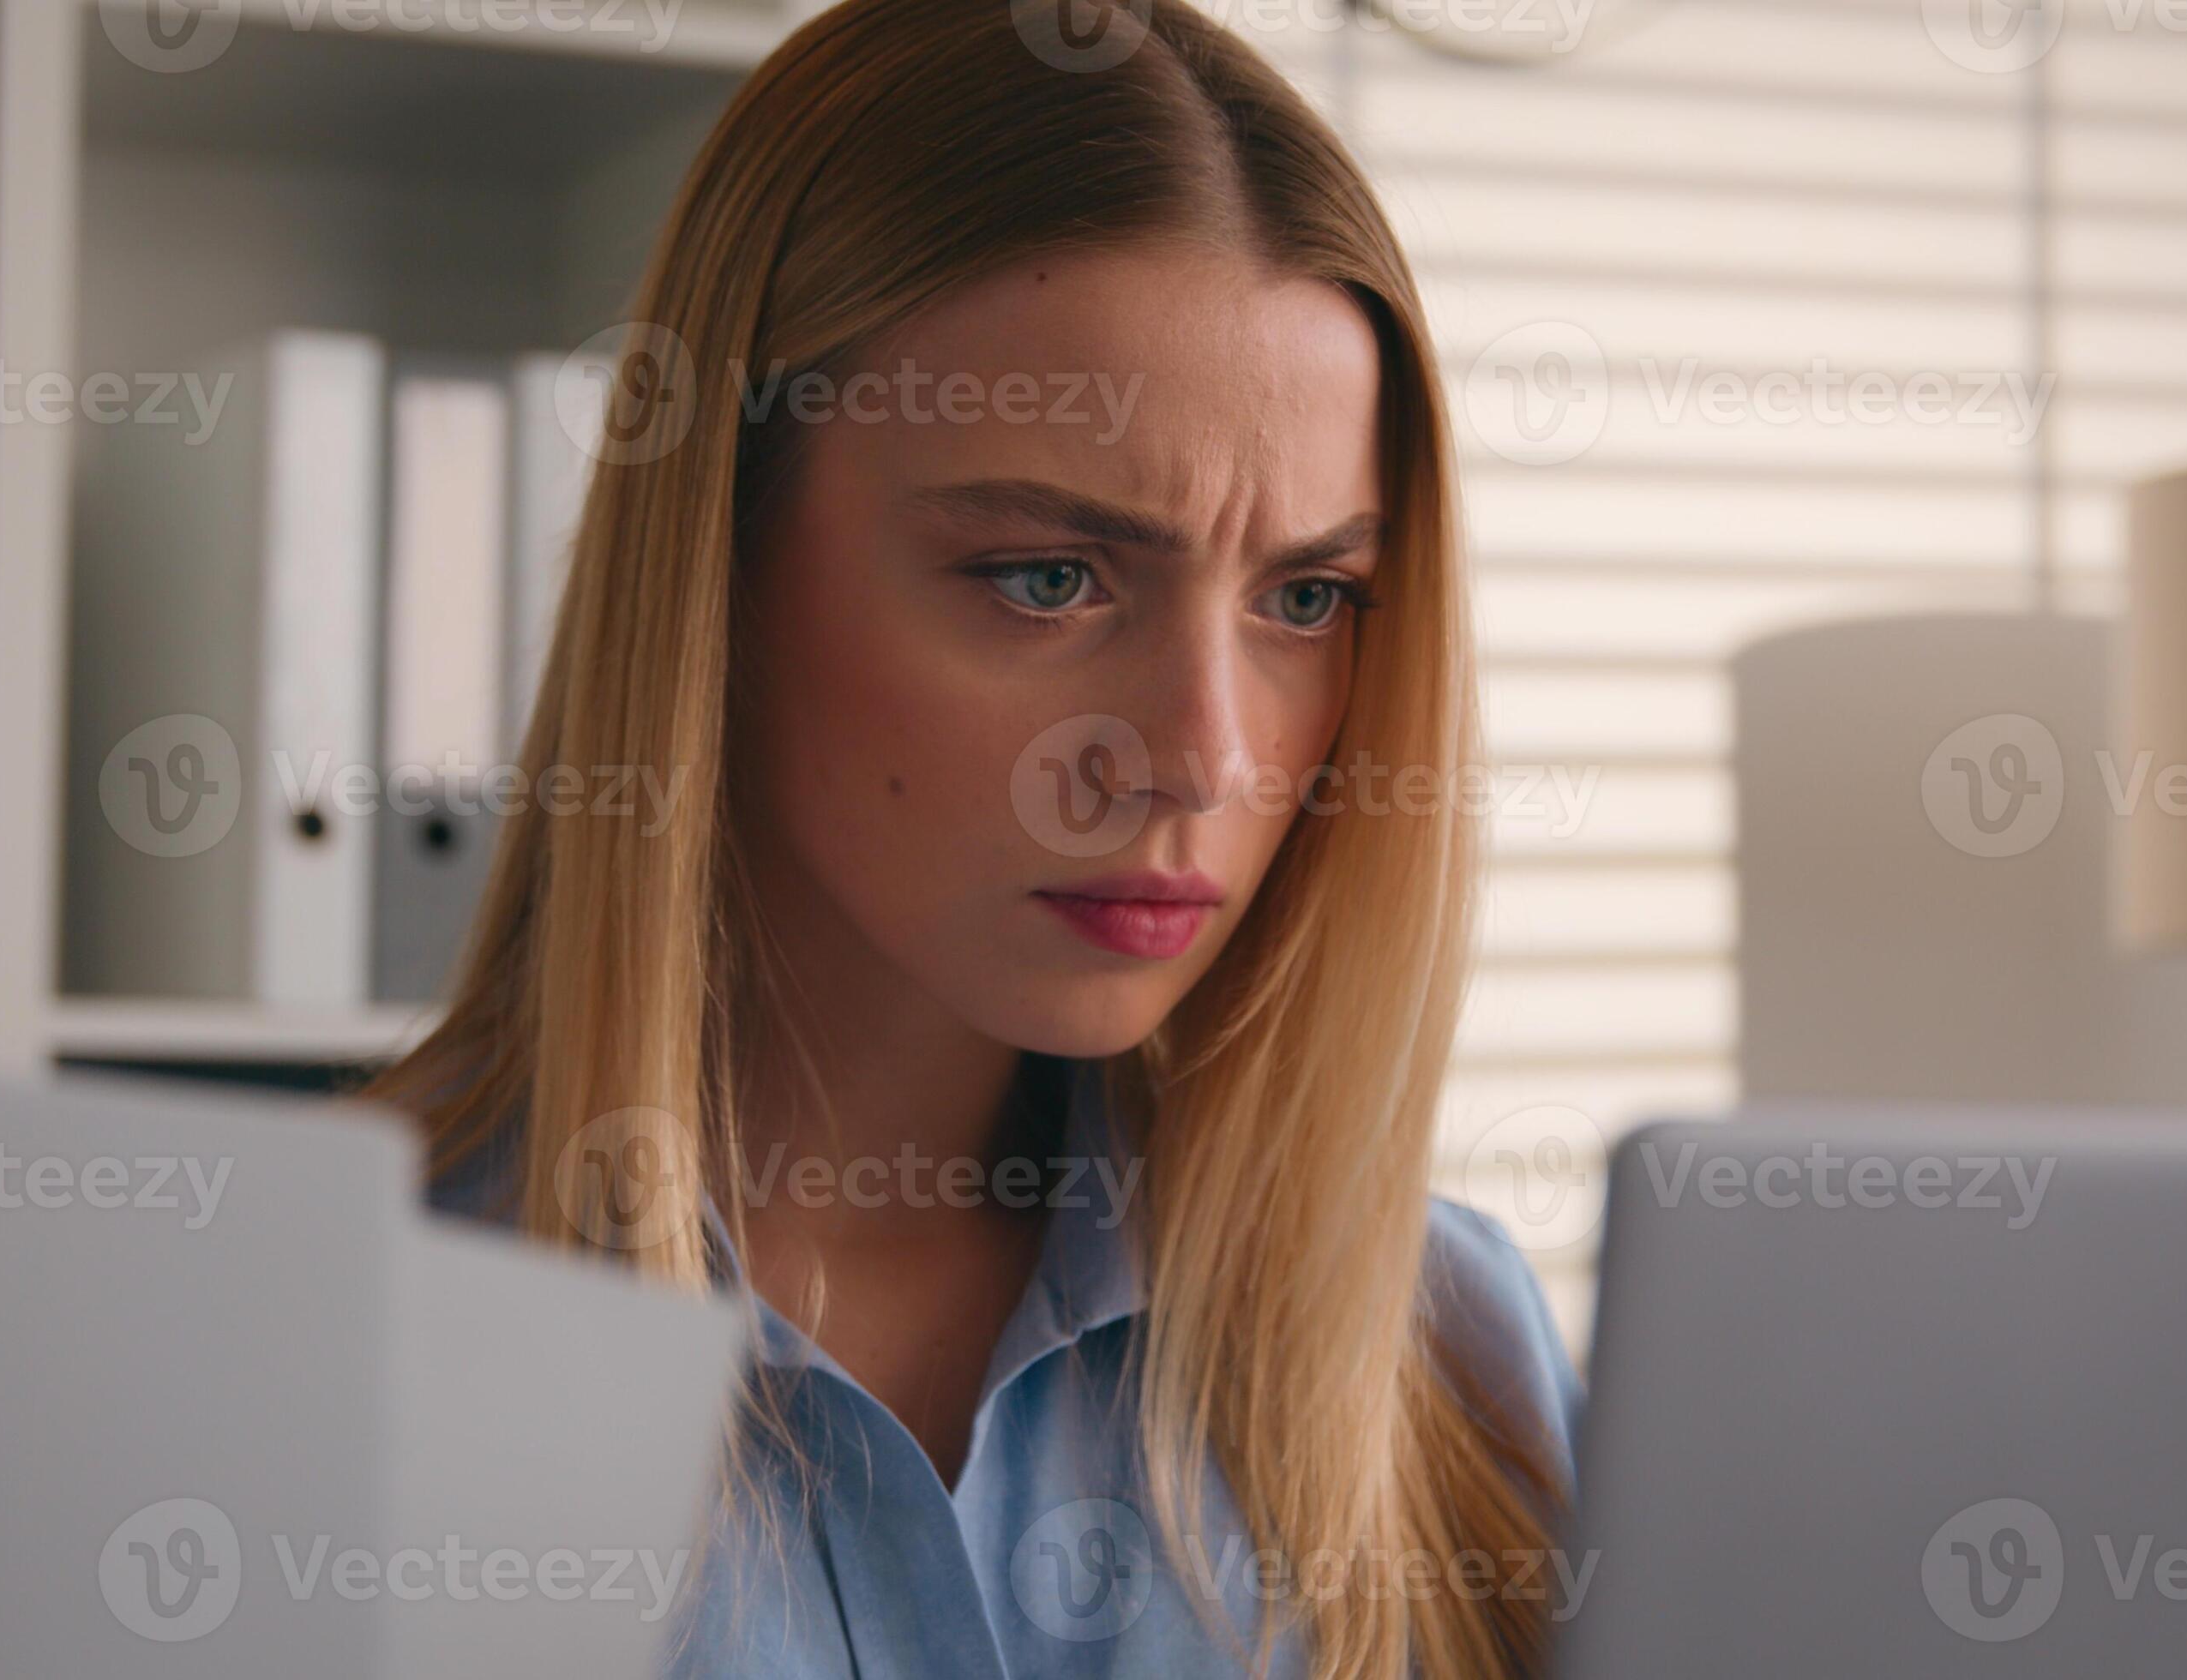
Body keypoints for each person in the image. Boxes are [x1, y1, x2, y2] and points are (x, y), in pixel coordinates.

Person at [379, 0, 1577, 1671]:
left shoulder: (1452, 1354)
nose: (1202, 758)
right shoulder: (290, 1342)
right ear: (719, 563)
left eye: (1306, 595)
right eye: (1045, 577)